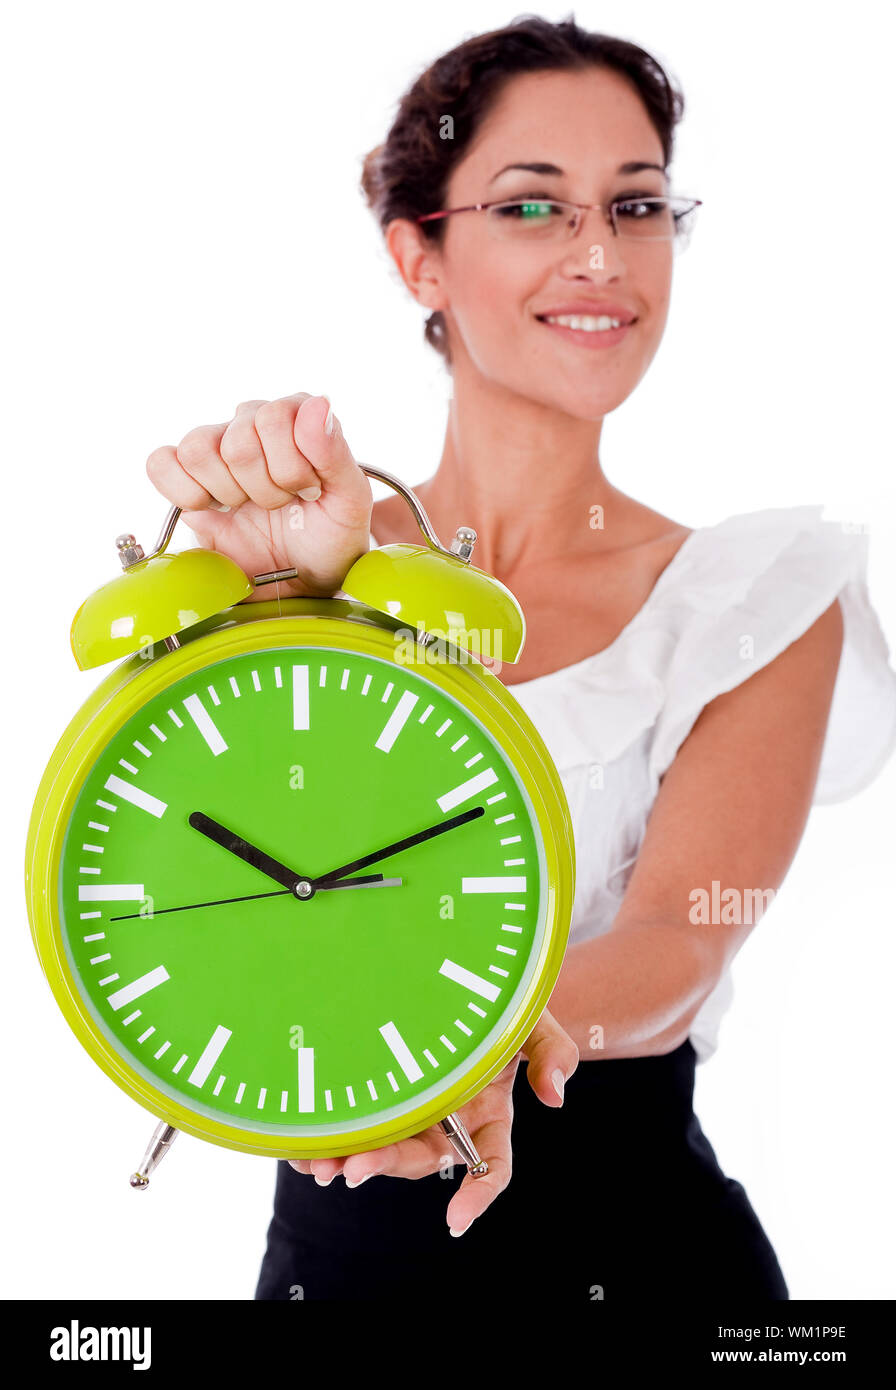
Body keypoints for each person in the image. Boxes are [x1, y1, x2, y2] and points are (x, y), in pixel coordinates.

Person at [145, 17, 896, 1301]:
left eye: (637, 204)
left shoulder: (749, 596)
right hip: (332, 1258)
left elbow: (673, 943)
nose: (600, 254)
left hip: (645, 1255)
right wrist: (287, 591)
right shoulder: (304, 573)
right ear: (418, 256)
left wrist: (483, 1050)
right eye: (533, 207)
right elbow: (180, 879)